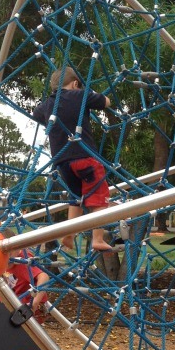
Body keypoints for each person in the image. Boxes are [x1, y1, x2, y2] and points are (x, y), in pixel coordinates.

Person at [33, 66, 114, 252]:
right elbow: (106, 101)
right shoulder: (80, 95)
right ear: (76, 83)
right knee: (100, 196)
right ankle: (98, 238)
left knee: (76, 198)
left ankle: (69, 235)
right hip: (84, 157)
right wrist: (87, 91)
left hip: (62, 163)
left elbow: (37, 114)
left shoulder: (48, 104)